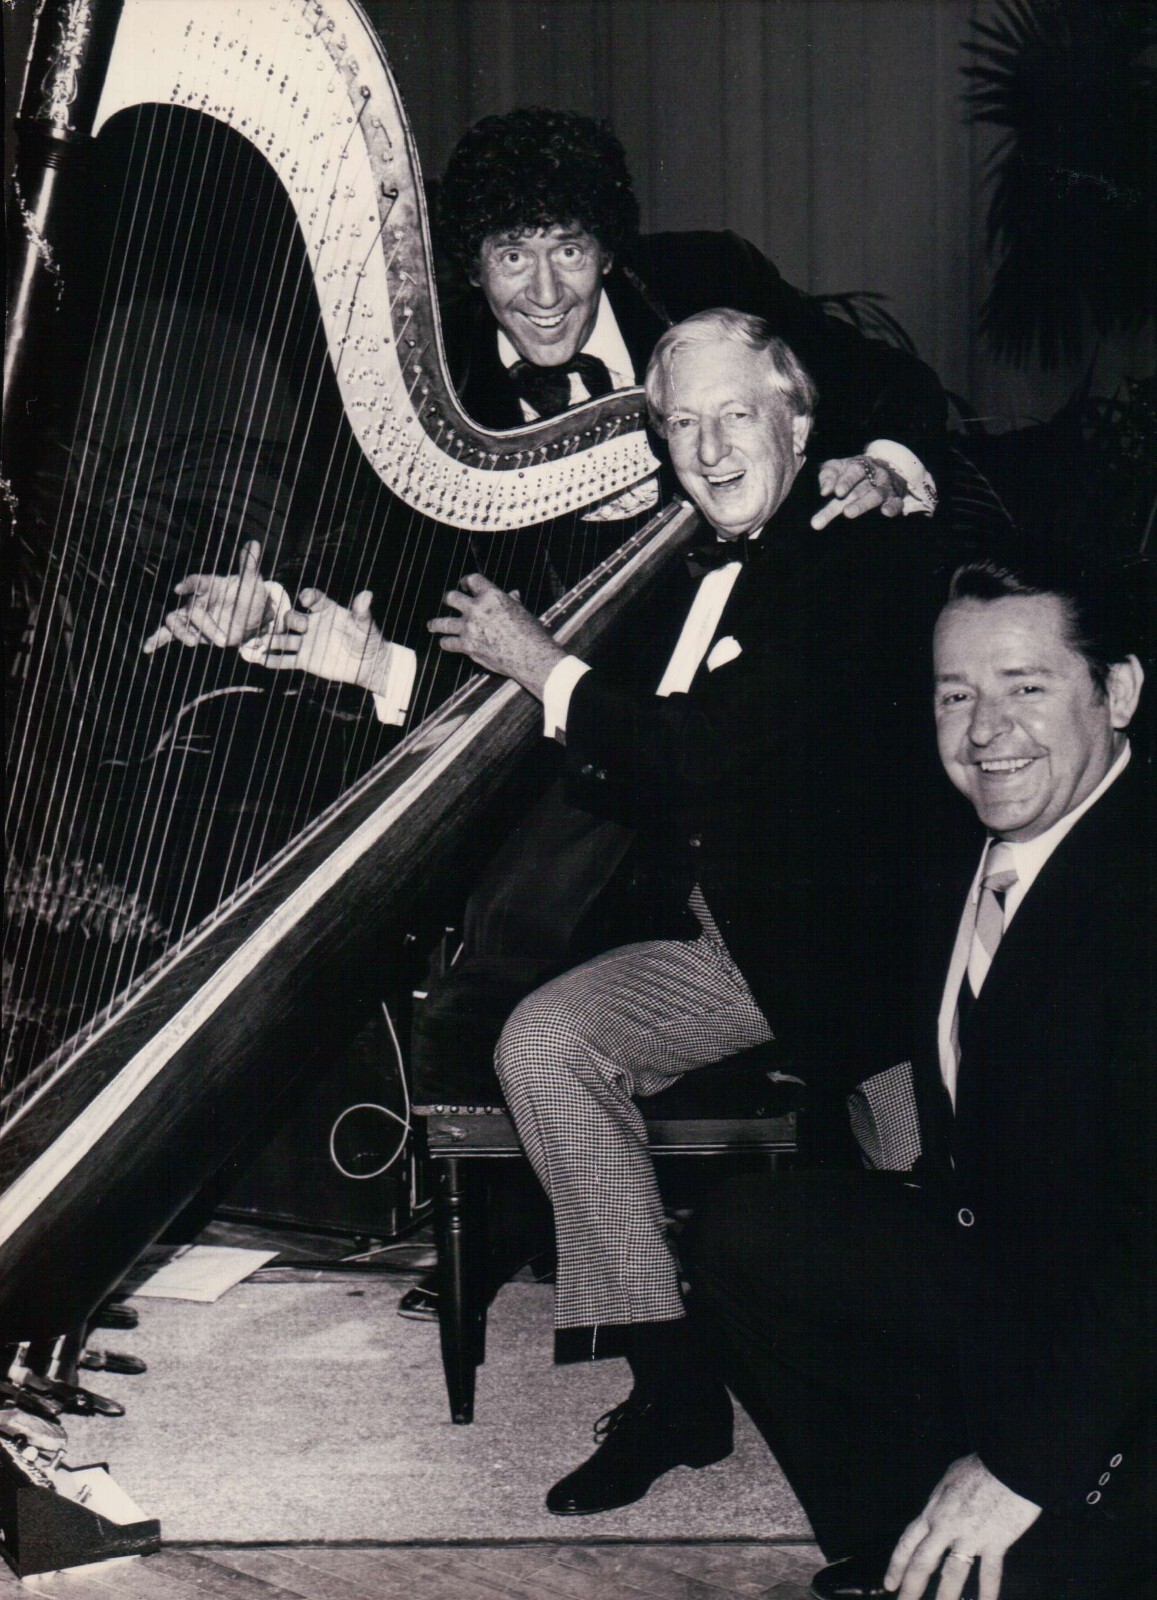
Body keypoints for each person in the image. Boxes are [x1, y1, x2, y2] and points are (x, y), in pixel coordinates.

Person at [426, 309, 949, 1516]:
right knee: (542, 1044)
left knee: (946, 1220)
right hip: (722, 939)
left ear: (800, 425)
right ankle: (672, 1387)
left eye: (735, 416)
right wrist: (380, 665)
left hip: (869, 955)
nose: (708, 448)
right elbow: (581, 744)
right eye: (681, 424)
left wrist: (540, 664)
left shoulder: (859, 544)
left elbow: (700, 745)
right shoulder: (680, 571)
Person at [686, 546, 1154, 1600]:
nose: (983, 731)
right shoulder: (962, 848)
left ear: (1116, 691)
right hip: (1013, 1274)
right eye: (955, 695)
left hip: (1132, 1347)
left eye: (1025, 688)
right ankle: (904, 1553)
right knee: (750, 1238)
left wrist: (1029, 1461)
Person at [141, 107, 945, 695]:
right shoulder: (436, 381)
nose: (547, 292)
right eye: (512, 255)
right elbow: (367, 549)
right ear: (473, 265)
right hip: (576, 731)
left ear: (604, 249)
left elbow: (894, 385)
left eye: (568, 248)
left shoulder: (703, 282)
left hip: (769, 668)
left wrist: (883, 465)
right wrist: (269, 605)